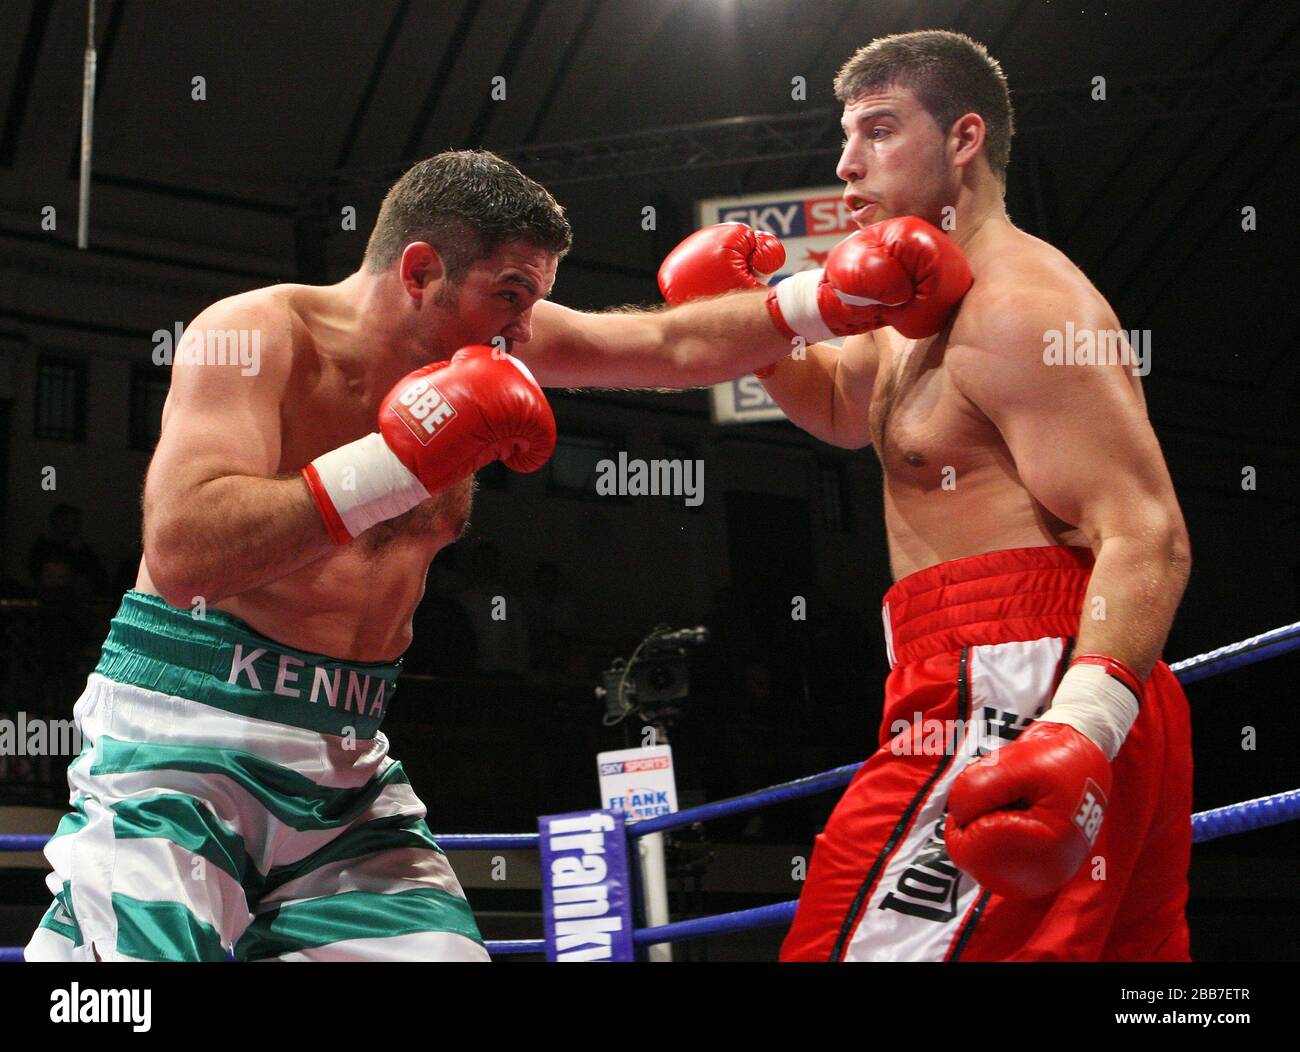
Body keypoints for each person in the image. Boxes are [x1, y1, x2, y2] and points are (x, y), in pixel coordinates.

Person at [27, 149, 968, 961]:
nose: (522, 332)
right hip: (184, 737)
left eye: (535, 301)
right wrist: (393, 463)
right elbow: (185, 549)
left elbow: (672, 344)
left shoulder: (495, 341)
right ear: (422, 269)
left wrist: (822, 299)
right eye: (509, 295)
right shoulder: (256, 336)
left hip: (346, 757)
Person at [658, 30, 1193, 962]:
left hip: (1027, 674)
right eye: (844, 135)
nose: (845, 163)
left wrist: (1076, 727)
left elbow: (1148, 532)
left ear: (964, 139)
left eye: (878, 130)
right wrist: (762, 323)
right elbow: (838, 404)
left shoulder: (1020, 302)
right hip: (1026, 673)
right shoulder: (908, 303)